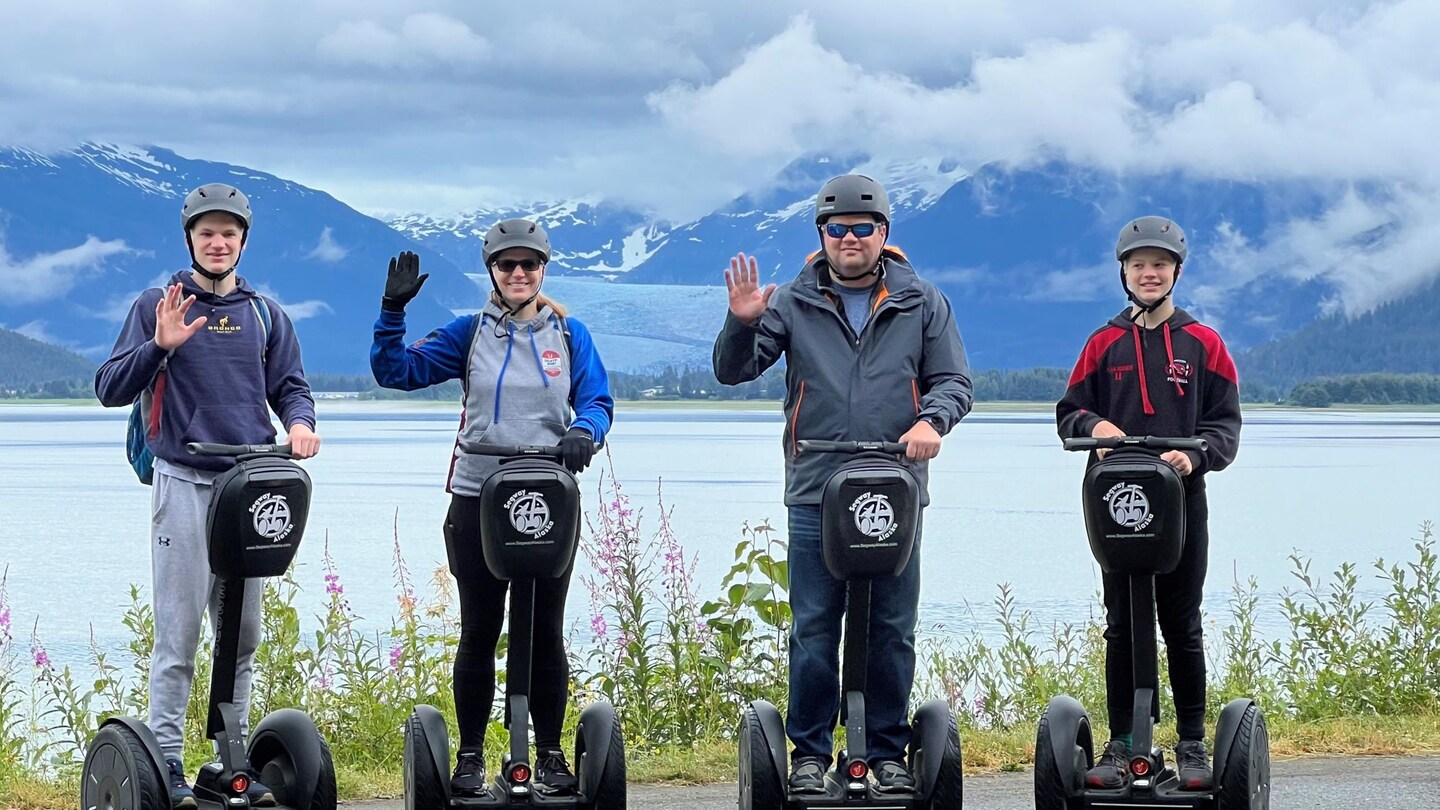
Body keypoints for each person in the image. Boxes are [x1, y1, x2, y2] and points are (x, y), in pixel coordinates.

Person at [712, 174, 973, 793]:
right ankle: (807, 754)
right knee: (813, 625)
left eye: (862, 228)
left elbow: (954, 382)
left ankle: (884, 751)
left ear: (883, 234)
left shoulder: (921, 300)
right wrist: (741, 323)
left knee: (890, 626)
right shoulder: (793, 301)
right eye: (837, 229)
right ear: (821, 236)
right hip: (815, 484)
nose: (849, 238)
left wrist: (931, 422)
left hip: (894, 486)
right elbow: (734, 371)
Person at [95, 183, 322, 809]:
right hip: (184, 480)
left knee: (242, 634)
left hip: (248, 484)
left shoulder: (267, 314)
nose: (218, 242)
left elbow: (292, 387)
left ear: (243, 241)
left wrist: (299, 424)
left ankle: (229, 757)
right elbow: (109, 387)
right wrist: (159, 346)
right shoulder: (156, 304)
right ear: (190, 238)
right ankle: (164, 761)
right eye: (207, 233)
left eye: (229, 233)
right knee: (178, 633)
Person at [370, 219, 614, 796]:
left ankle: (550, 753)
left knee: (546, 630)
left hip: (546, 498)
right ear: (493, 273)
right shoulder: (469, 334)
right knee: (480, 628)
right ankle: (472, 756)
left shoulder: (570, 335)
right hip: (478, 496)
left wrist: (584, 430)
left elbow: (598, 400)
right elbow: (395, 371)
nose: (519, 274)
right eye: (508, 265)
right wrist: (392, 311)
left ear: (543, 270)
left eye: (529, 265)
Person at [1055, 215, 1241, 791]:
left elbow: (1225, 427)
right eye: (1139, 265)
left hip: (1182, 500)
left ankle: (1189, 742)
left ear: (1176, 272)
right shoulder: (1102, 343)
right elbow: (1069, 415)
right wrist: (1099, 424)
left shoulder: (1203, 343)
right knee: (1121, 626)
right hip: (1117, 503)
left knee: (1181, 624)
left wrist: (1196, 457)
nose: (1149, 273)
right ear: (1124, 273)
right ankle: (1124, 743)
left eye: (1159, 264)